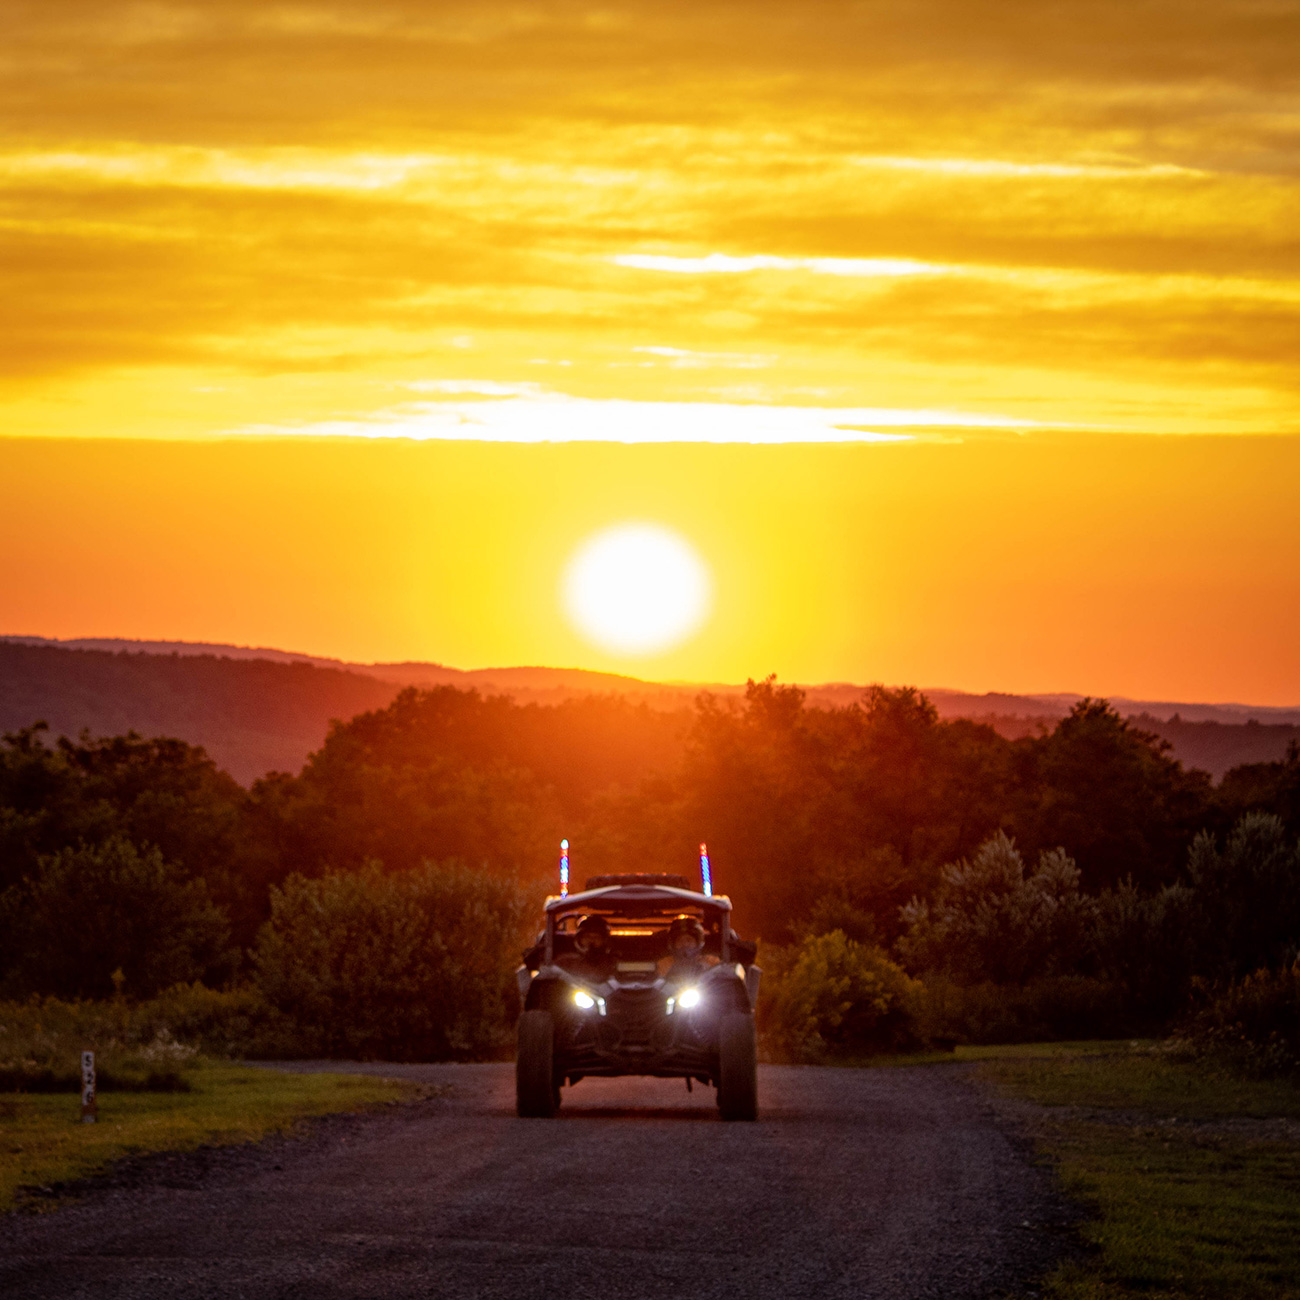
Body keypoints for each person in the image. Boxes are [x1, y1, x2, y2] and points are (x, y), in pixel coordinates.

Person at [559, 914, 616, 984]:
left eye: (596, 937)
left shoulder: (613, 963)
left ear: (604, 940)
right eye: (587, 936)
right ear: (579, 939)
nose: (591, 940)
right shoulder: (565, 962)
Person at [660, 915, 713, 982]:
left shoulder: (710, 962)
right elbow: (658, 983)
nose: (685, 944)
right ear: (673, 944)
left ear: (698, 943)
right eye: (680, 940)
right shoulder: (665, 964)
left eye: (689, 940)